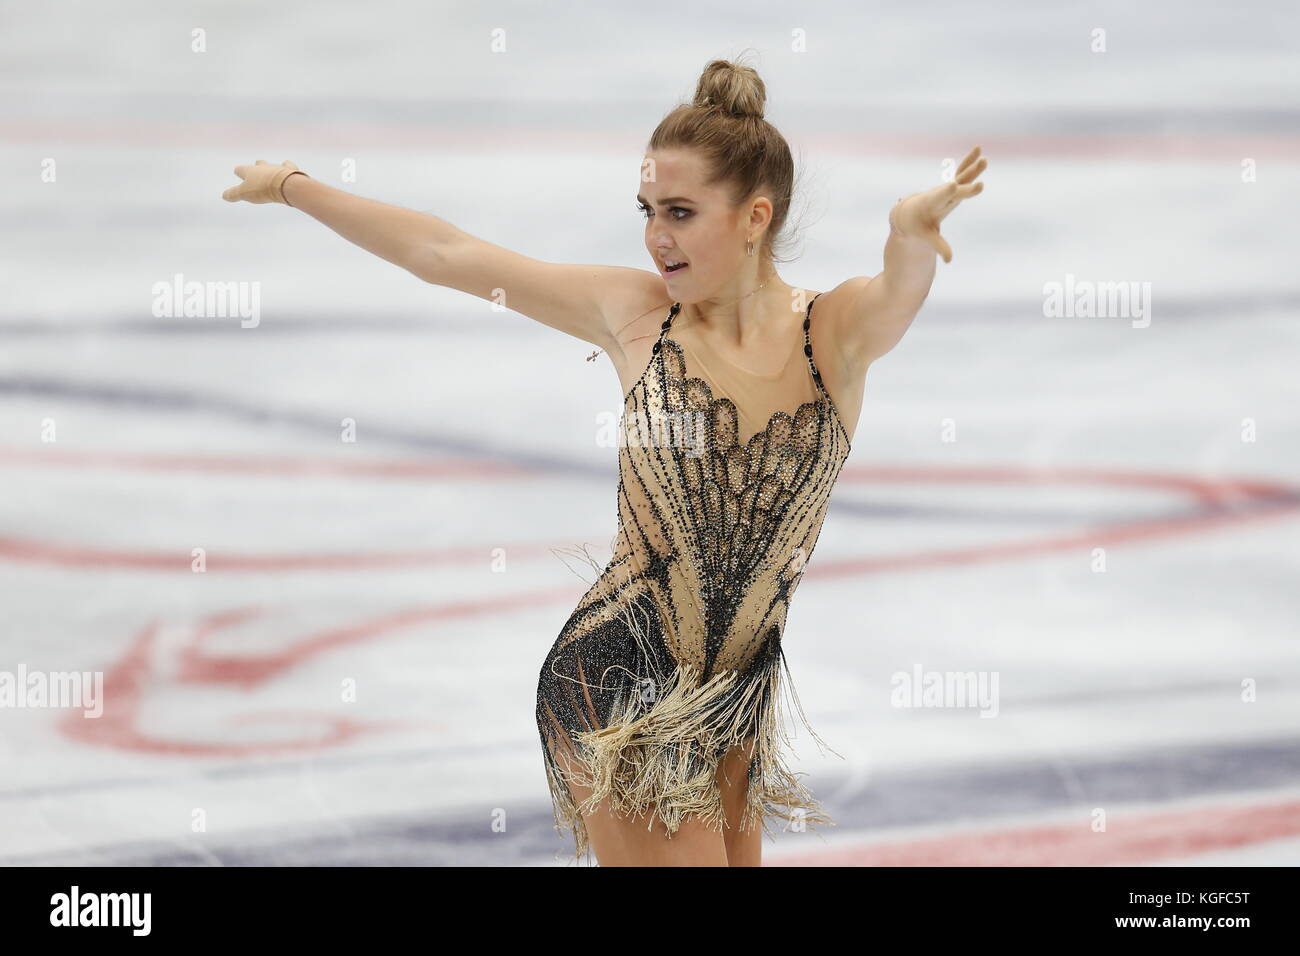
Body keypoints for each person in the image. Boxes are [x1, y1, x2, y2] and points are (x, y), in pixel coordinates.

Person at [222, 54, 986, 867]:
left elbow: (896, 295)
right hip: (620, 684)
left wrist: (906, 237)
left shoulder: (830, 334)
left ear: (755, 217)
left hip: (731, 698)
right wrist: (291, 185)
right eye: (648, 209)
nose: (658, 235)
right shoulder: (636, 315)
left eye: (683, 212)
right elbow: (446, 254)